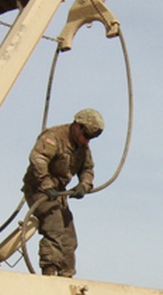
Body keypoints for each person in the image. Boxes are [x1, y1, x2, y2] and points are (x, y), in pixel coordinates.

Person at [22, 108, 104, 277]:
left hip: (58, 192)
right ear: (77, 126)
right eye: (86, 135)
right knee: (55, 227)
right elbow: (38, 158)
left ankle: (66, 277)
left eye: (91, 138)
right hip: (38, 189)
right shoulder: (54, 137)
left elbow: (87, 168)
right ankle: (49, 272)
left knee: (69, 238)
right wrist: (46, 184)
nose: (87, 141)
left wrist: (84, 185)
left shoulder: (82, 147)